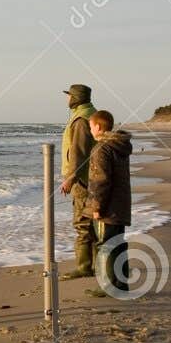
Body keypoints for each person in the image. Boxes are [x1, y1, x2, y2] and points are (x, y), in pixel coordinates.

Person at [82, 109, 133, 297]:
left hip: (108, 207)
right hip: (121, 205)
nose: (90, 131)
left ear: (98, 126)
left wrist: (97, 207)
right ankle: (121, 284)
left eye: (90, 127)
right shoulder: (119, 146)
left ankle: (108, 285)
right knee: (118, 243)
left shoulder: (101, 149)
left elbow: (100, 181)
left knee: (106, 245)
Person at [57, 82, 98, 279]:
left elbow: (78, 153)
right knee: (92, 223)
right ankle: (96, 265)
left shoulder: (81, 120)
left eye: (69, 95)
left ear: (75, 98)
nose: (67, 98)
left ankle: (84, 266)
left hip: (83, 180)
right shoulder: (90, 114)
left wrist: (70, 178)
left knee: (82, 223)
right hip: (91, 177)